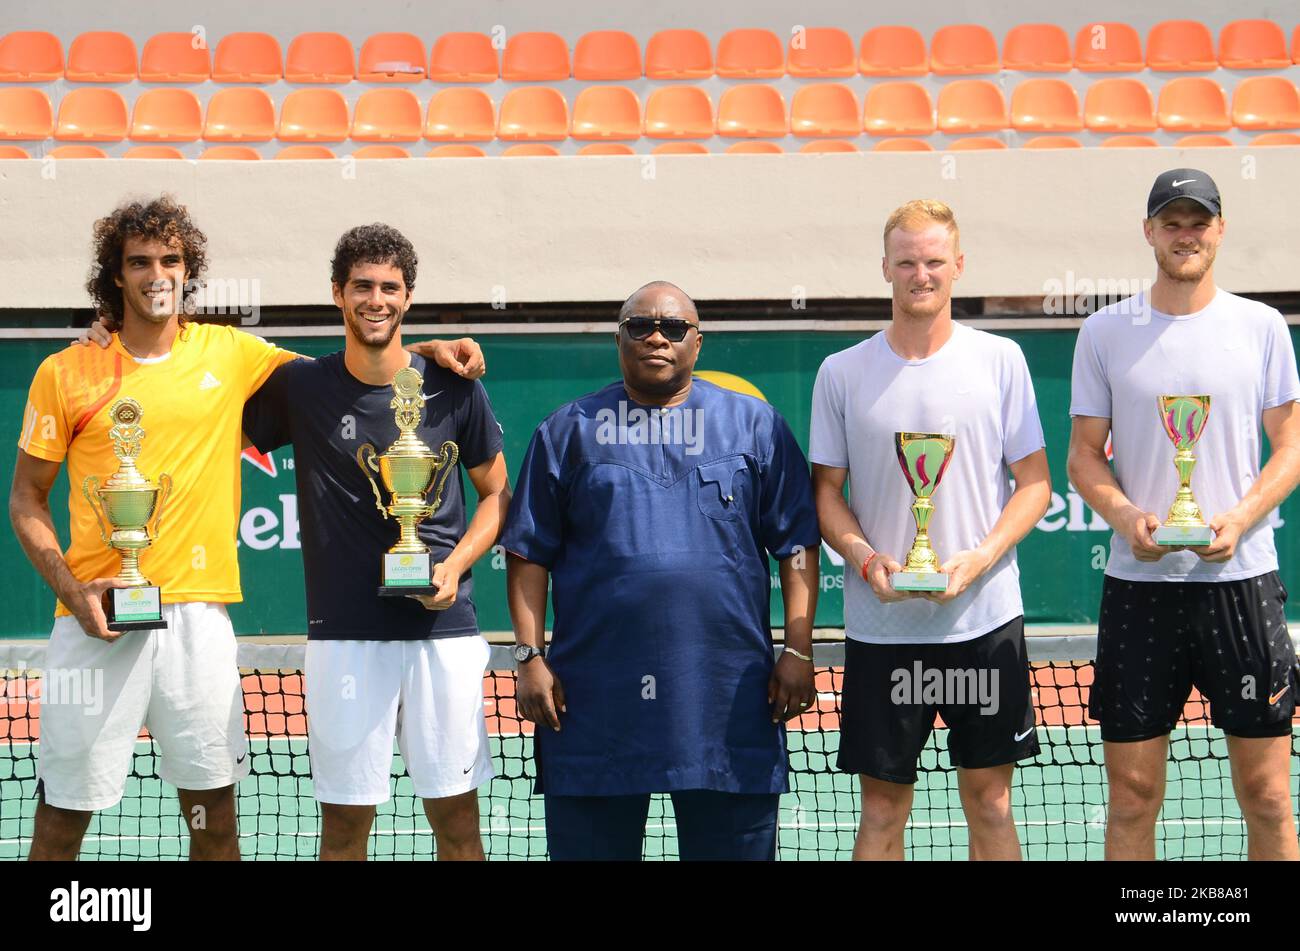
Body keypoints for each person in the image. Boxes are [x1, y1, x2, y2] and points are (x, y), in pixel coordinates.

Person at [10, 196, 482, 860]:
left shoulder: (230, 352)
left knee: (217, 824)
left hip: (200, 623)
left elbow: (357, 367)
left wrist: (425, 351)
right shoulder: (64, 372)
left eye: (170, 259)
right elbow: (27, 498)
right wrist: (73, 588)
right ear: (115, 276)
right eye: (139, 261)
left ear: (187, 268)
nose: (157, 273)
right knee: (61, 822)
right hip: (96, 619)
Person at [502, 281, 820, 861]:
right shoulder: (567, 430)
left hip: (726, 698)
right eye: (639, 326)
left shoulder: (757, 427)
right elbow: (528, 555)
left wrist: (798, 650)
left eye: (673, 328)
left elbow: (797, 546)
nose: (656, 337)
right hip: (593, 698)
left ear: (697, 342)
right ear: (617, 338)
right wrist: (528, 657)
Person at [242, 224, 508, 860]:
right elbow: (203, 415)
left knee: (458, 825)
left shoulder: (454, 386)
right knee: (343, 832)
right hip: (344, 637)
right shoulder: (302, 388)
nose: (376, 299)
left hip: (442, 635)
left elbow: (497, 495)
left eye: (390, 287)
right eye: (362, 286)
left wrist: (456, 565)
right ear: (338, 294)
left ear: (408, 297)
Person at [1066, 169, 1300, 861]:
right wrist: (1126, 516)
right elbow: (1083, 456)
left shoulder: (1260, 327)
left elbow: (1289, 448)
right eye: (1171, 222)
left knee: (1268, 797)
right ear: (1149, 233)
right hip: (1142, 593)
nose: (1185, 234)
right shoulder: (1106, 331)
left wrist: (1241, 519)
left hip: (1243, 585)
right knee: (1133, 798)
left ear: (1220, 230)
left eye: (1198, 221)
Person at [810, 199, 1052, 861]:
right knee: (884, 809)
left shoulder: (1001, 360)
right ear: (884, 266)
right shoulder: (842, 372)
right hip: (883, 631)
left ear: (959, 266)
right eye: (908, 261)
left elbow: (1035, 484)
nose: (922, 274)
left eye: (935, 261)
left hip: (984, 623)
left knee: (991, 802)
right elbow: (825, 495)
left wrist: (980, 558)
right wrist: (863, 558)